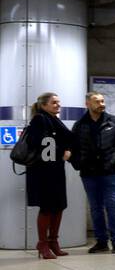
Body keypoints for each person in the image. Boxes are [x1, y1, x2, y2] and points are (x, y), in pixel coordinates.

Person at [70, 91, 115, 254]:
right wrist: (78, 164)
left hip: (110, 173)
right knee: (96, 208)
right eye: (97, 101)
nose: (101, 104)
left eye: (103, 101)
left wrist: (112, 162)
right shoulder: (80, 125)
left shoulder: (114, 122)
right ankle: (101, 242)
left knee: (113, 206)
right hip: (88, 174)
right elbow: (73, 149)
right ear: (88, 104)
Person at [23, 92, 76, 259]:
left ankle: (54, 242)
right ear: (44, 105)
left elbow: (67, 139)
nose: (58, 105)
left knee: (59, 206)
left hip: (56, 169)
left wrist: (68, 150)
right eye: (54, 103)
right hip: (42, 171)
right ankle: (42, 244)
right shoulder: (40, 119)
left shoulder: (55, 120)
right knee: (46, 208)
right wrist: (63, 151)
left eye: (58, 102)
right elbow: (43, 143)